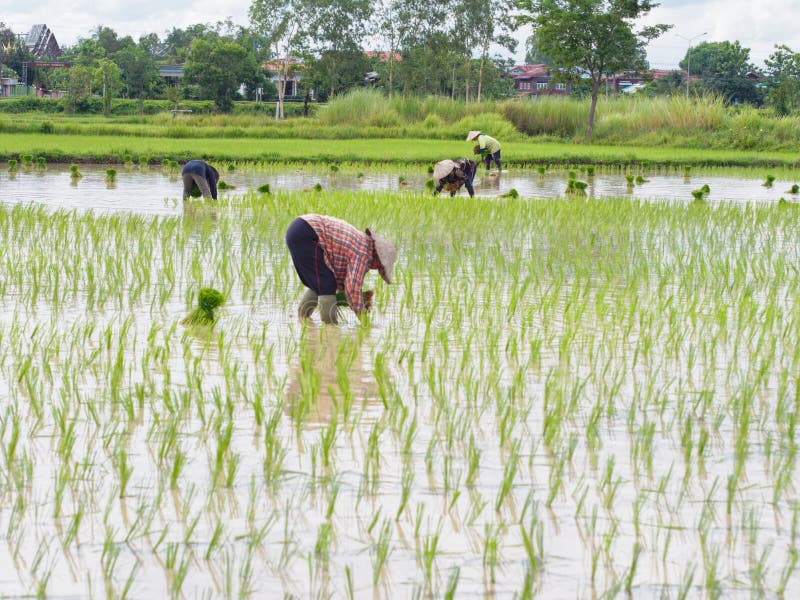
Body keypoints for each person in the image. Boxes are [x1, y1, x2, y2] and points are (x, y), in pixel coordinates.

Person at [285, 214, 397, 324]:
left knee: (320, 282)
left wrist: (349, 299)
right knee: (326, 284)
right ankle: (330, 329)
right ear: (378, 260)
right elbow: (352, 290)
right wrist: (365, 322)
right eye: (378, 268)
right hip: (307, 233)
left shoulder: (362, 243)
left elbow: (344, 283)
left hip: (300, 228)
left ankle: (303, 319)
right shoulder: (363, 254)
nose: (374, 269)